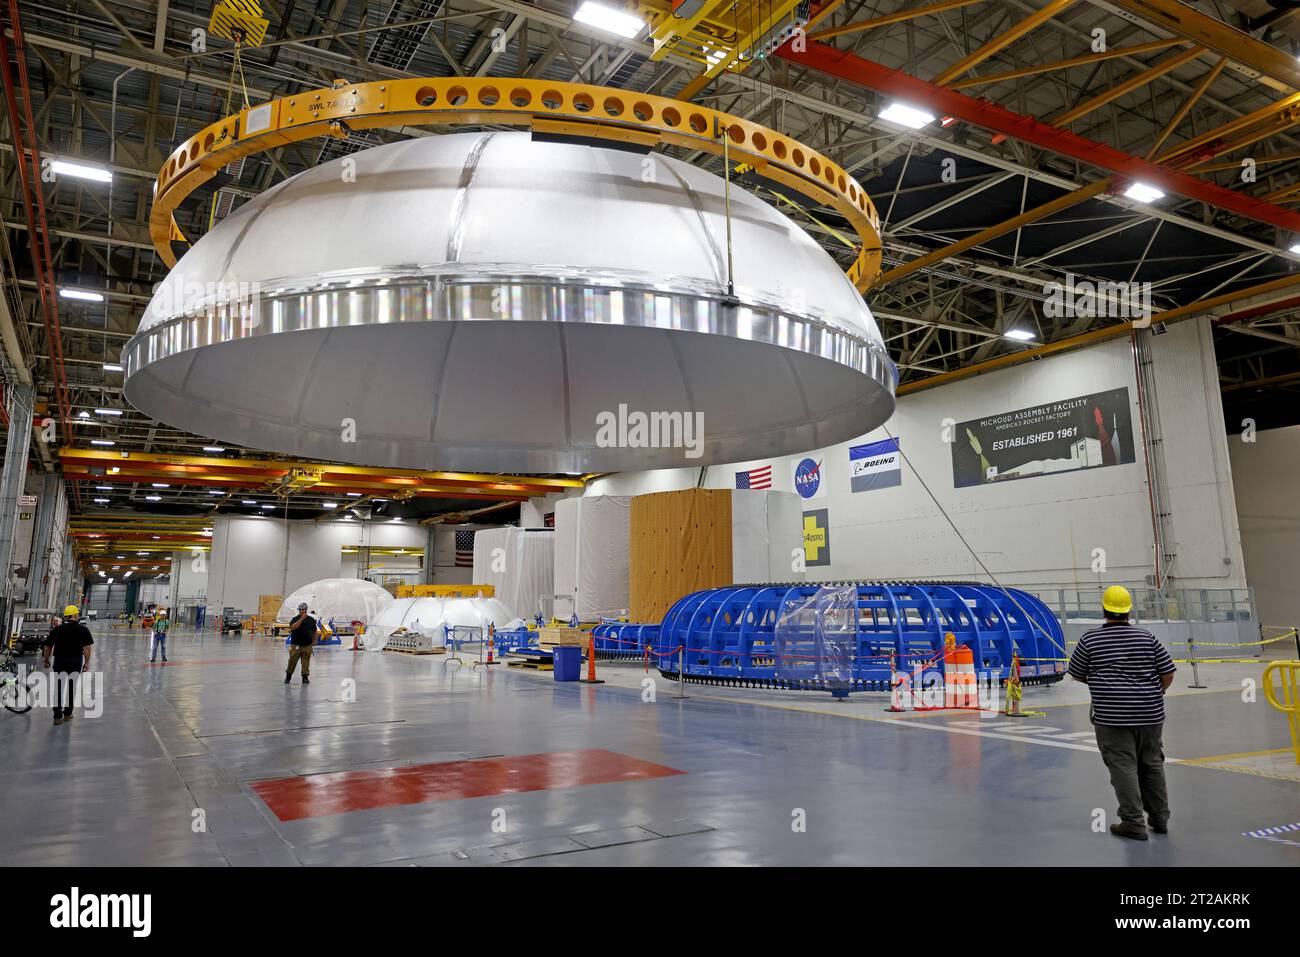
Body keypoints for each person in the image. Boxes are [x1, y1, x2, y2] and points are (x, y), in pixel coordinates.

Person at [1068, 585, 1177, 841]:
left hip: (1112, 718)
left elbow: (1077, 672)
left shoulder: (1090, 640)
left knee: (1123, 766)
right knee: (1151, 763)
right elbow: (1168, 672)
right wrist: (1153, 695)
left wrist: (1103, 684)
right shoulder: (1147, 637)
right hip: (1150, 715)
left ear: (1104, 610)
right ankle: (1160, 818)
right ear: (1129, 610)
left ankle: (1133, 822)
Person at [41, 605, 94, 726]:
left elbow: (48, 647)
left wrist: (46, 660)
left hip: (60, 660)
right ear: (75, 615)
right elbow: (87, 648)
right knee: (72, 687)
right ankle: (68, 714)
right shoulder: (83, 629)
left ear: (66, 616)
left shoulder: (58, 629)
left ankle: (57, 716)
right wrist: (86, 662)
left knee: (58, 688)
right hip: (75, 661)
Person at [286, 603, 318, 684]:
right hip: (296, 645)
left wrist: (315, 640)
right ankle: (288, 676)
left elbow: (314, 630)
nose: (302, 611)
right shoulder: (295, 619)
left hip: (307, 645)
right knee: (292, 661)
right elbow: (293, 627)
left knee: (306, 662)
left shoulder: (311, 620)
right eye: (300, 610)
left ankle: (305, 677)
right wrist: (301, 619)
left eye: (303, 609)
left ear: (306, 610)